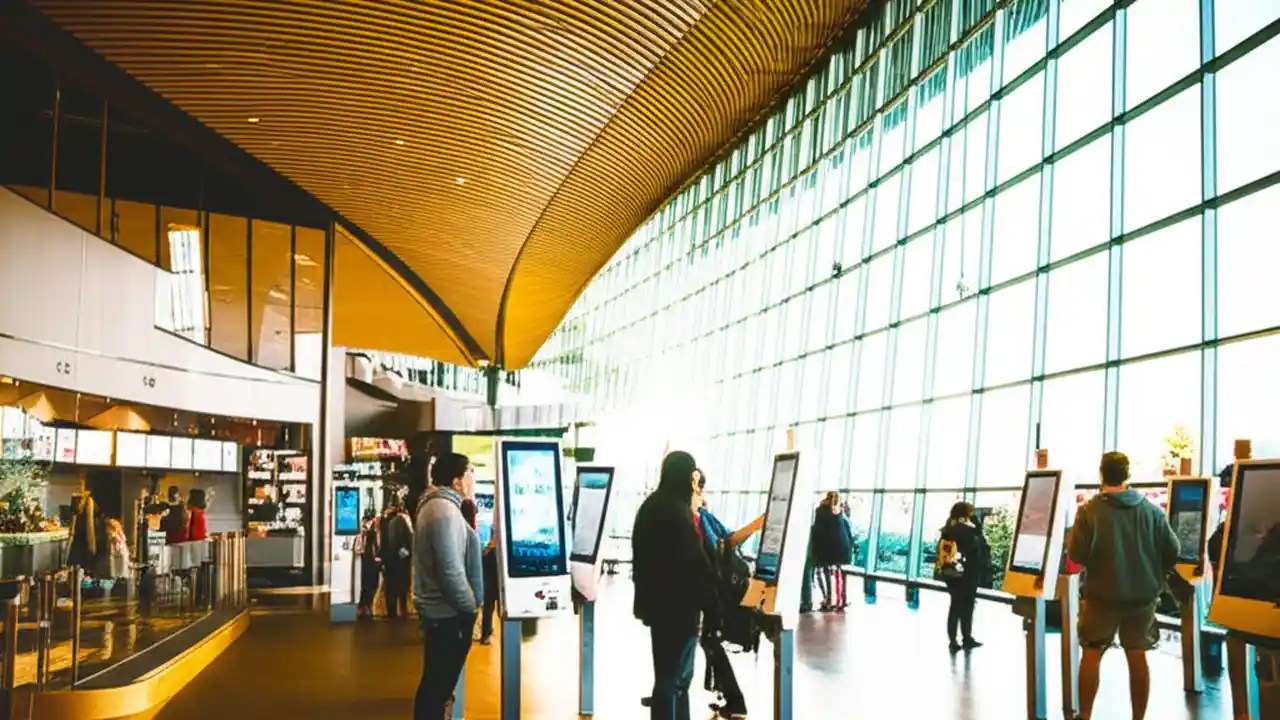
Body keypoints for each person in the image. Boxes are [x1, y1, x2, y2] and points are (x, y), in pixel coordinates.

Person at [1068, 452, 1179, 720]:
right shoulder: (1152, 511)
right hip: (1142, 597)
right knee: (1137, 656)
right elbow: (1173, 549)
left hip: (1101, 598)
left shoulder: (1089, 511)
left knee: (1092, 654)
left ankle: (1085, 715)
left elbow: (1077, 555)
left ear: (1101, 474)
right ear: (1127, 475)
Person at [632, 451, 717, 720]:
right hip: (679, 610)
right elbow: (695, 563)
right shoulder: (677, 512)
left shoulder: (651, 506)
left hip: (657, 608)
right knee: (674, 681)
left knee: (667, 676)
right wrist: (713, 604)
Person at [413, 453, 481, 720]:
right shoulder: (443, 511)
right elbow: (450, 570)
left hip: (443, 614)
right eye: (470, 472)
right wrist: (470, 608)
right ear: (456, 481)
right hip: (448, 616)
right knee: (436, 689)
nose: (472, 479)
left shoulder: (440, 507)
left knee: (436, 687)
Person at [691, 469, 763, 720]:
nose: (700, 493)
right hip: (706, 590)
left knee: (708, 640)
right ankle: (727, 695)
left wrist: (757, 524)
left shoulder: (704, 518)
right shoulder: (692, 518)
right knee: (708, 640)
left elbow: (729, 540)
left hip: (713, 591)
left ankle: (732, 698)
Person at [938, 501, 989, 652]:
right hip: (966, 573)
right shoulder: (966, 530)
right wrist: (974, 520)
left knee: (955, 605)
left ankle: (953, 639)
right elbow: (978, 535)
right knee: (966, 606)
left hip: (951, 572)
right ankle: (966, 637)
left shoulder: (948, 528)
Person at [810, 492, 853, 611]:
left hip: (823, 548)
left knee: (822, 574)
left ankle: (827, 599)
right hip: (839, 550)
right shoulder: (840, 514)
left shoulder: (820, 511)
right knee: (836, 575)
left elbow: (816, 530)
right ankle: (838, 600)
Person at [381, 500, 414, 620]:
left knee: (391, 589)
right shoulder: (401, 521)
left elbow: (384, 543)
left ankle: (392, 613)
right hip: (400, 561)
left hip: (390, 560)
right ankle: (402, 612)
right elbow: (409, 539)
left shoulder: (386, 522)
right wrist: (408, 553)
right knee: (402, 589)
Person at [355, 509, 381, 619]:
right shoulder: (372, 531)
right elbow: (376, 546)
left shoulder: (363, 531)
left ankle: (363, 607)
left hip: (366, 560)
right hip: (372, 560)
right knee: (371, 584)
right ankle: (367, 607)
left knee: (365, 585)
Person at [479, 533, 499, 644]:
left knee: (488, 610)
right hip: (495, 585)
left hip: (488, 585)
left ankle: (486, 634)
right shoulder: (497, 552)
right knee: (489, 610)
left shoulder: (486, 552)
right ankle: (486, 634)